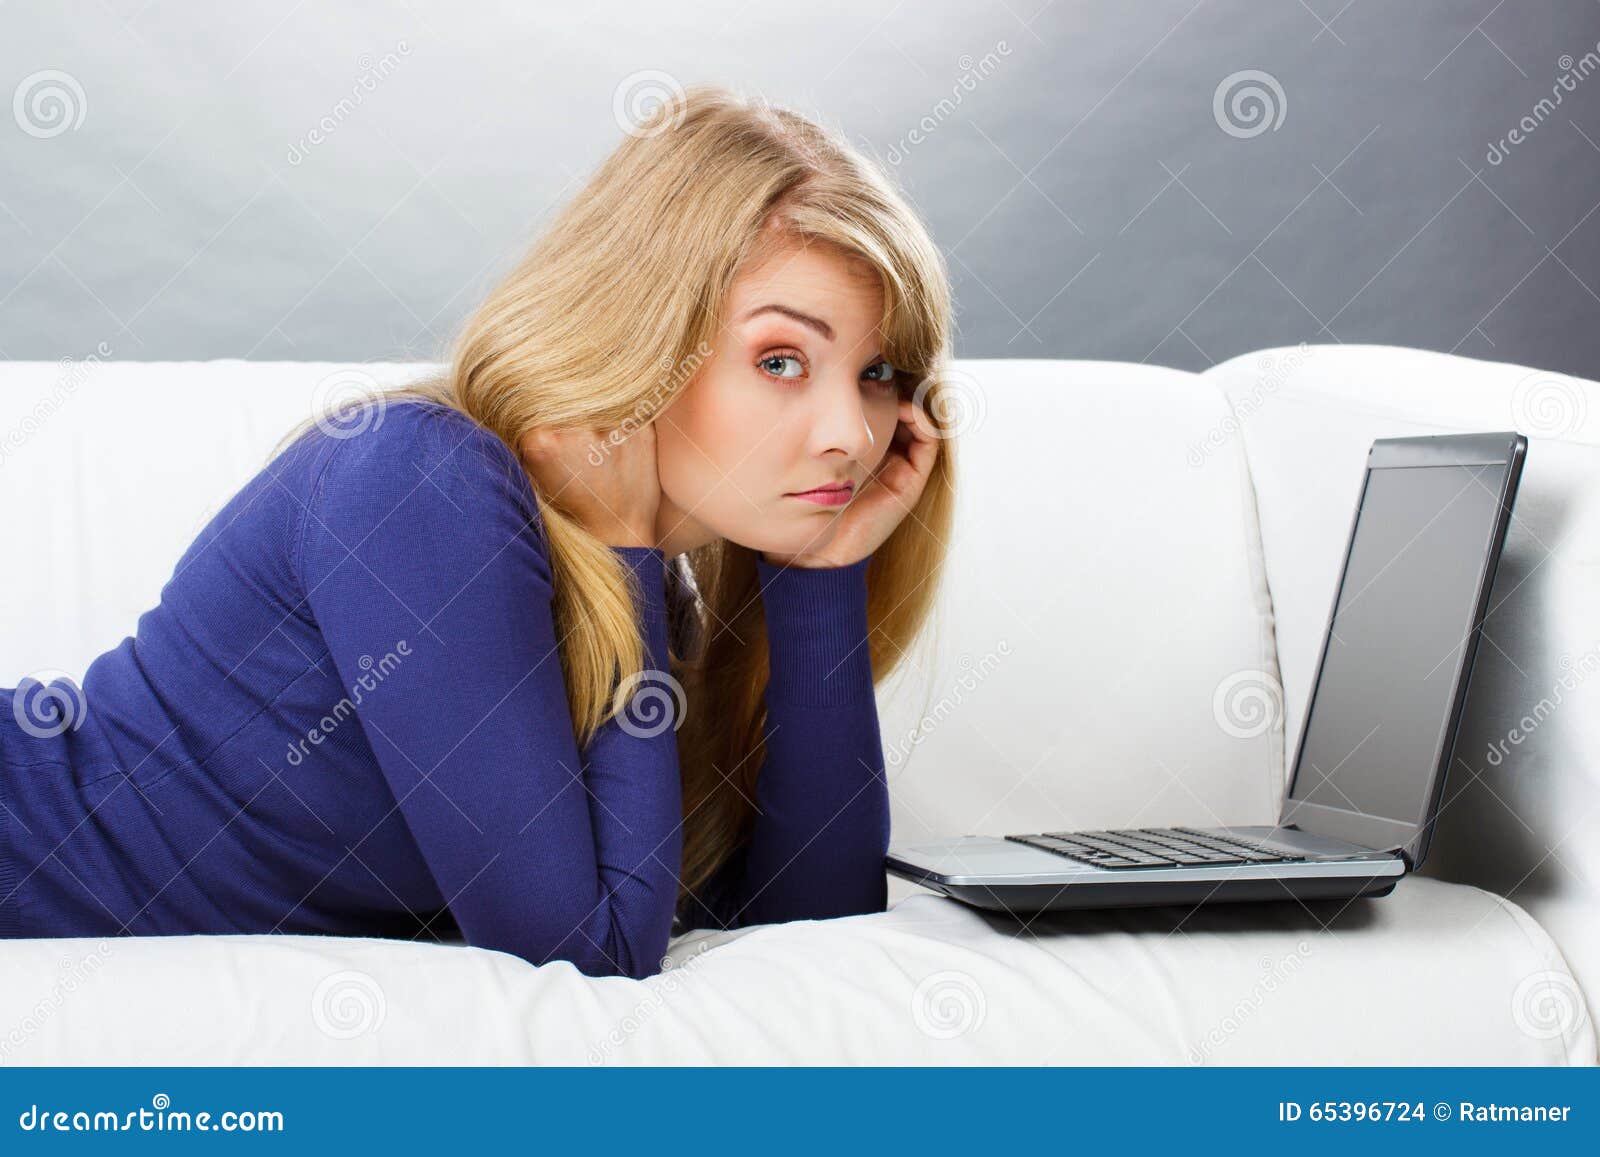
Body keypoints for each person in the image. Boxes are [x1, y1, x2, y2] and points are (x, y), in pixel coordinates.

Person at [0, 83, 957, 979]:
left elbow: (810, 934)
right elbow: (590, 959)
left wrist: (818, 577)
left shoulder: (651, 593)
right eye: (782, 360)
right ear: (645, 336)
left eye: (877, 374)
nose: (849, 435)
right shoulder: (426, 482)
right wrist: (625, 550)